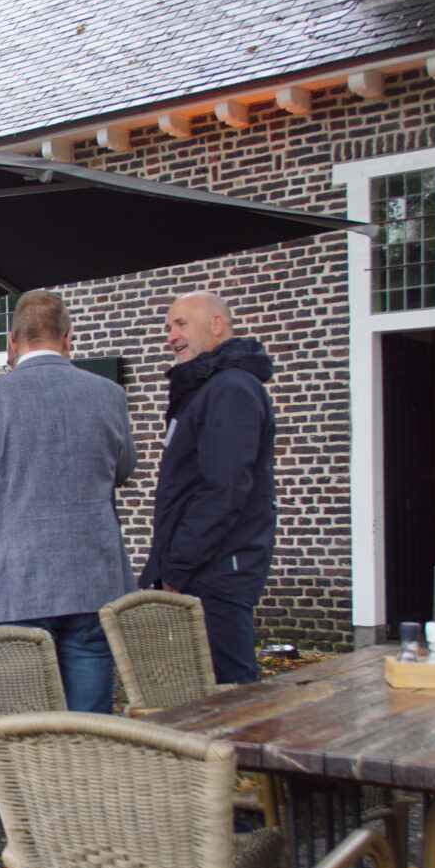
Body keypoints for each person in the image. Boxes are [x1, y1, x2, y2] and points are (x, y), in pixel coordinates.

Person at [0, 289, 137, 868]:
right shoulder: (107, 396)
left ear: (12, 343)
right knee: (86, 736)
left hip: (17, 591)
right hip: (95, 587)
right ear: (68, 336)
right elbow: (125, 470)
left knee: (23, 743)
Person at [138, 291, 277, 685]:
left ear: (217, 325)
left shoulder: (230, 389)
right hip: (202, 568)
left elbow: (224, 489)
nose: (171, 336)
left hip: (217, 571)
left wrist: (178, 565)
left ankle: (242, 749)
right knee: (202, 691)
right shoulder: (204, 388)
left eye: (181, 324)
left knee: (230, 696)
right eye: (168, 327)